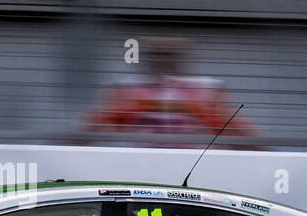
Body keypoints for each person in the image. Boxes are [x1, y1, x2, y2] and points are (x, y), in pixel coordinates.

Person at [85, 37, 260, 145]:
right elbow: (92, 130)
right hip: (139, 166)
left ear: (183, 59)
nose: (161, 60)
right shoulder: (128, 89)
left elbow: (241, 134)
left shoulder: (207, 89)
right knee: (145, 207)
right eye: (156, 54)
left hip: (192, 167)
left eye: (168, 55)